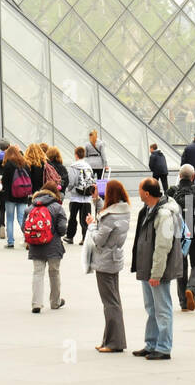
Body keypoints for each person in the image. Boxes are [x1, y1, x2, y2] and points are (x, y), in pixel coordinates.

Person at [129, 177, 180, 359]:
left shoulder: (164, 214)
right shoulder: (149, 209)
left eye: (140, 189)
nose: (138, 192)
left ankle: (164, 347)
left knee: (162, 309)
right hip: (147, 267)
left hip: (157, 270)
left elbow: (162, 247)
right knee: (151, 308)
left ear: (147, 193)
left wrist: (156, 273)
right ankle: (151, 344)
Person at [87, 179, 132, 352]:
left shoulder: (110, 217)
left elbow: (99, 239)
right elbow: (106, 217)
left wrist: (91, 226)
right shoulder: (124, 211)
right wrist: (96, 200)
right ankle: (109, 340)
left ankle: (115, 342)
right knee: (114, 300)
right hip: (115, 258)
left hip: (104, 260)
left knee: (110, 303)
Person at [167, 164, 195, 311]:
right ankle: (191, 290)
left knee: (181, 267)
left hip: (178, 234)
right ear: (193, 177)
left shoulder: (172, 192)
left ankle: (183, 303)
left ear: (180, 176)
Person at [24, 180, 68, 313]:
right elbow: (62, 229)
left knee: (38, 273)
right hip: (53, 246)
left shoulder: (30, 207)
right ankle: (55, 302)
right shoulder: (57, 207)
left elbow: (24, 227)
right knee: (54, 273)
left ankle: (36, 303)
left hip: (35, 245)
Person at [1, 145, 32, 248]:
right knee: (21, 218)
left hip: (10, 196)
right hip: (23, 195)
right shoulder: (24, 164)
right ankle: (27, 239)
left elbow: (5, 181)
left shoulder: (8, 165)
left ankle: (10, 242)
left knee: (9, 219)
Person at [64, 145, 94, 244]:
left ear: (76, 155)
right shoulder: (88, 166)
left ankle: (70, 237)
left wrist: (68, 189)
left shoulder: (73, 166)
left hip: (75, 196)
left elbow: (71, 181)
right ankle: (85, 238)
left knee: (73, 218)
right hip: (87, 197)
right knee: (86, 218)